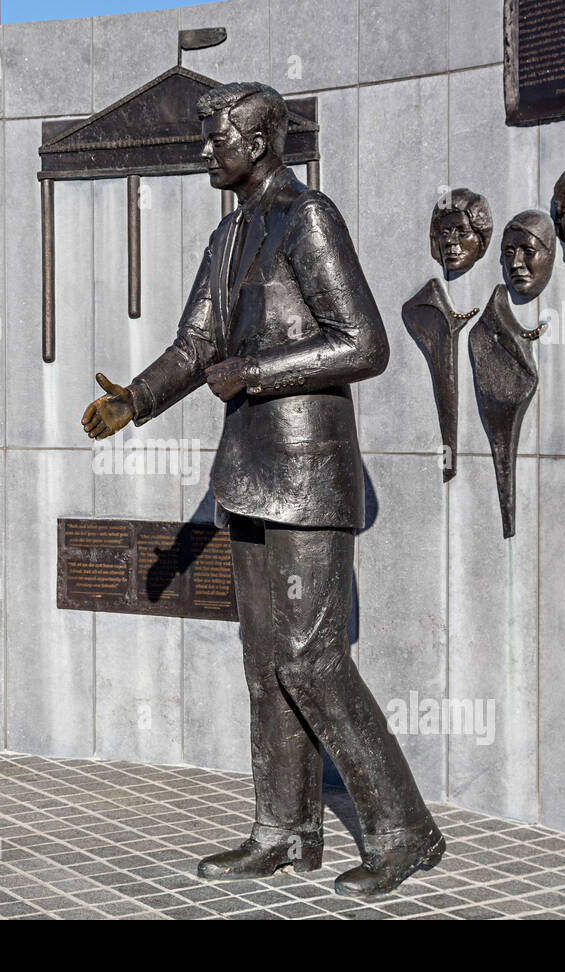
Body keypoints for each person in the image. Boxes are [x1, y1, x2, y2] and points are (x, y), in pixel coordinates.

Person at [81, 81, 443, 898]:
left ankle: (405, 829)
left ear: (262, 140)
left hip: (310, 478)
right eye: (207, 136)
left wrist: (256, 371)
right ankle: (284, 830)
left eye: (220, 137)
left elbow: (365, 342)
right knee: (263, 664)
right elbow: (194, 343)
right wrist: (134, 400)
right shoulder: (231, 230)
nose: (208, 149)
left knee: (312, 659)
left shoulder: (307, 218)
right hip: (248, 475)